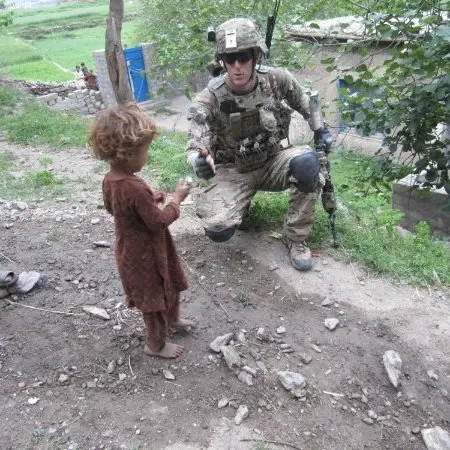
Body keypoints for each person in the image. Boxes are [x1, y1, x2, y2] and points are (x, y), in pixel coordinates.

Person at [186, 17, 333, 271]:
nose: (237, 66)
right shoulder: (209, 97)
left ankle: (296, 238)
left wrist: (321, 130)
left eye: (243, 57)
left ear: (256, 57)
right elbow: (194, 143)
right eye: (229, 59)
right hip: (232, 170)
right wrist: (198, 161)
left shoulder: (277, 80)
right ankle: (241, 208)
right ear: (222, 61)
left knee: (308, 163)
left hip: (273, 161)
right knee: (218, 230)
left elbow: (307, 105)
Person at [89, 103, 195, 359]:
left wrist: (150, 200)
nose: (147, 155)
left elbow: (114, 208)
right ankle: (156, 345)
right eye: (145, 149)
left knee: (170, 283)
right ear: (128, 153)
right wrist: (176, 200)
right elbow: (158, 222)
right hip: (145, 255)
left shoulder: (111, 179)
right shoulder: (134, 186)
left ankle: (174, 320)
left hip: (135, 248)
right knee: (153, 300)